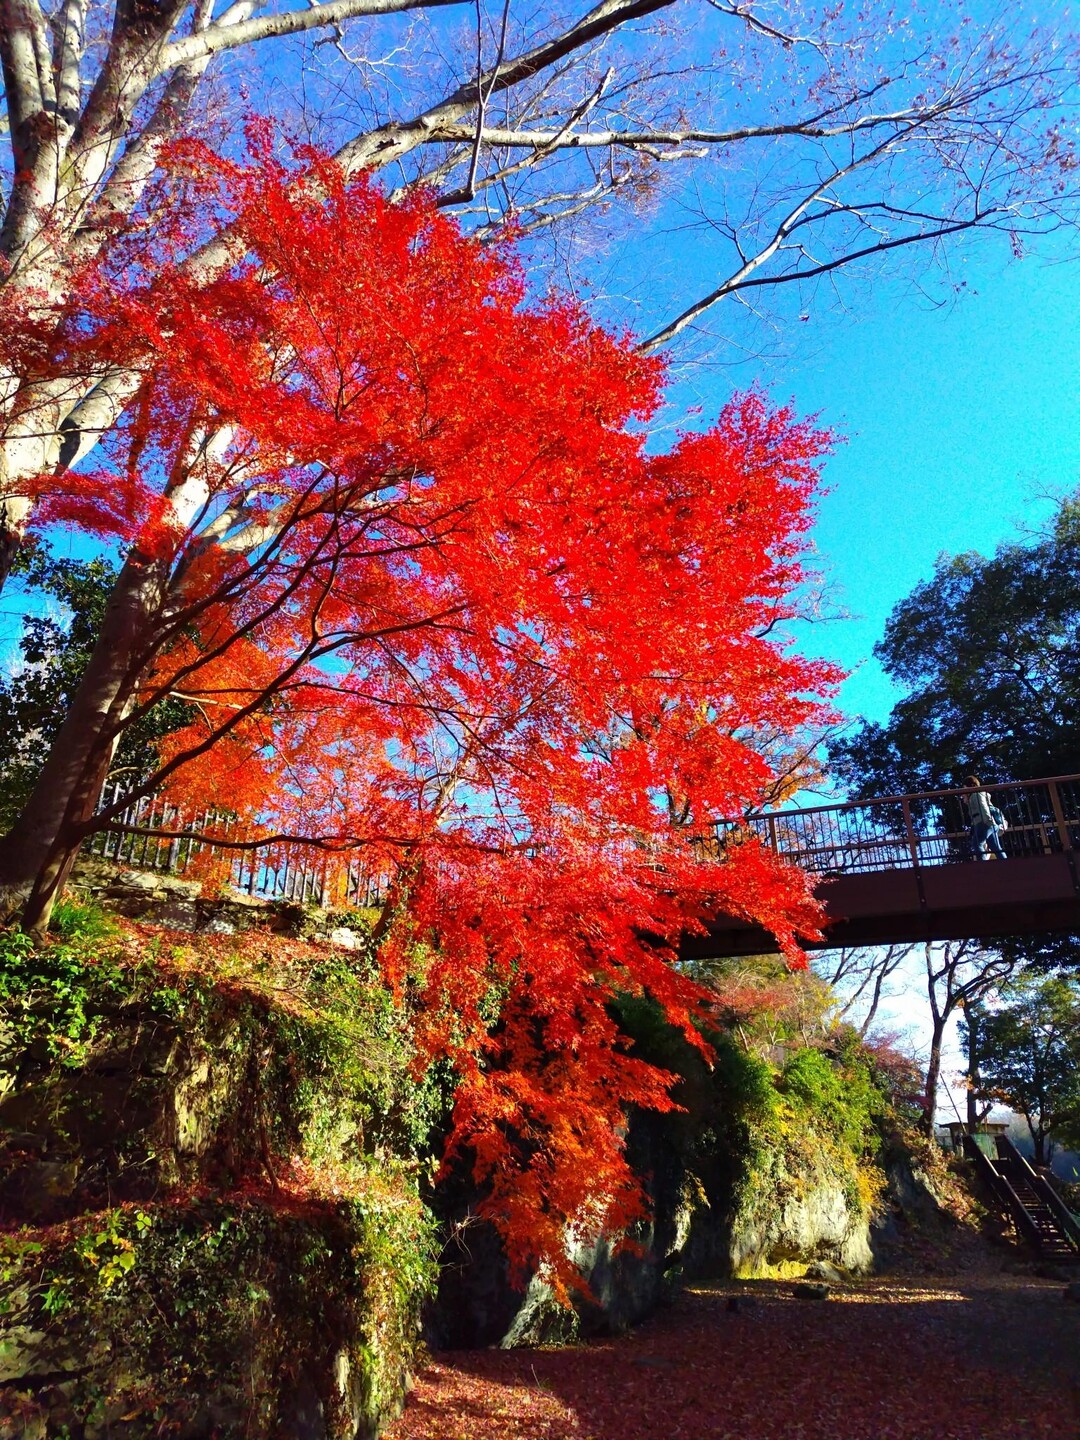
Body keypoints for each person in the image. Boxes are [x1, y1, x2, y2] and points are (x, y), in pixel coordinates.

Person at [965, 776, 1008, 860]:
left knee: (977, 844)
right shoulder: (979, 794)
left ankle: (983, 866)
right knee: (995, 847)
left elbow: (983, 808)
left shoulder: (976, 794)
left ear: (970, 785)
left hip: (983, 822)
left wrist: (988, 822)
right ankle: (1006, 865)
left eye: (965, 787)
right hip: (989, 823)